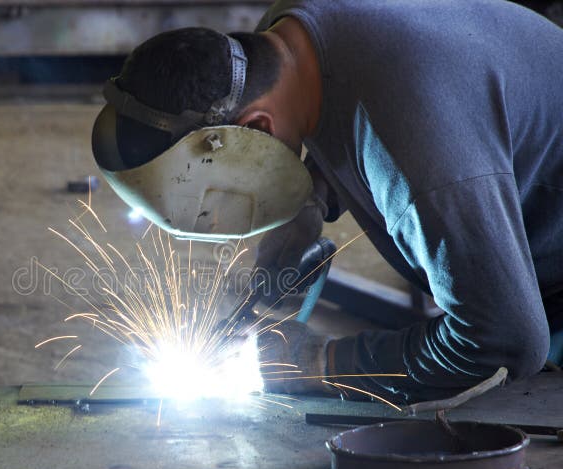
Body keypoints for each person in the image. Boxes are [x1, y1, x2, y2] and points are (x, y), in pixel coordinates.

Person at [91, 0, 563, 402]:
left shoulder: (413, 151)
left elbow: (505, 339)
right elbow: (337, 107)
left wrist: (323, 363)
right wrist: (311, 198)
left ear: (257, 129)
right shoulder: (287, 35)